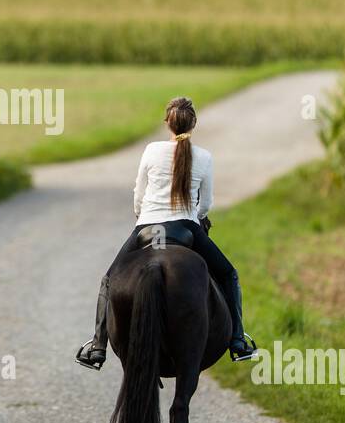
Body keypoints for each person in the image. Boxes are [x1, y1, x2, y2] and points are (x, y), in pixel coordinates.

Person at [75, 96, 258, 370]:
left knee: (109, 279)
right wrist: (197, 217)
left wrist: (142, 215)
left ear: (167, 124)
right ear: (193, 123)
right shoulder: (205, 158)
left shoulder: (151, 151)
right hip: (186, 229)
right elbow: (205, 204)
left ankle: (97, 345)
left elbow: (139, 194)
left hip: (146, 226)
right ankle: (237, 341)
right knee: (228, 274)